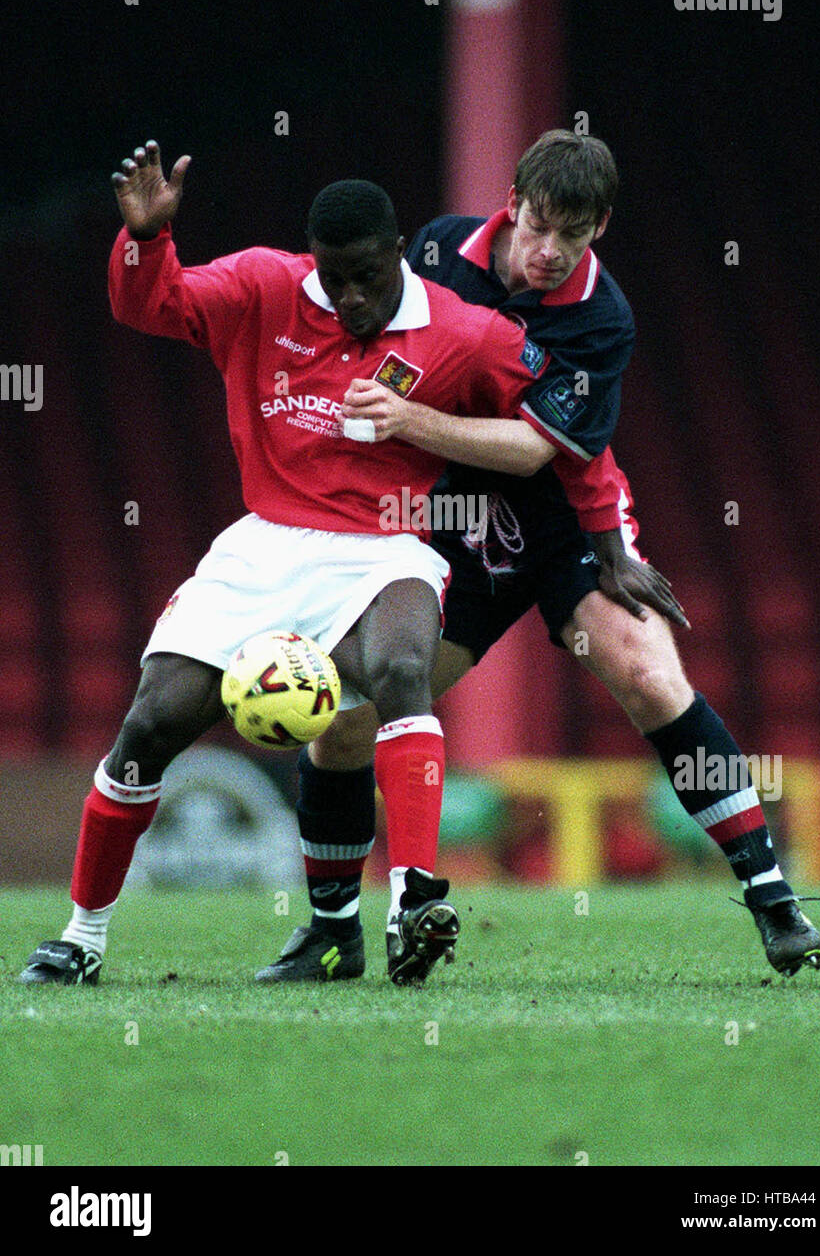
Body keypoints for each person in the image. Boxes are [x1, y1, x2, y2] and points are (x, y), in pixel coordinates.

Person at [276, 130, 820, 985]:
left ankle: (773, 898)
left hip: (565, 529)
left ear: (599, 227)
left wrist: (409, 421)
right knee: (348, 716)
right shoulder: (430, 250)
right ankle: (330, 933)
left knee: (649, 674)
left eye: (571, 236)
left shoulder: (602, 317)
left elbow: (538, 453)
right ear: (512, 202)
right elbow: (390, 351)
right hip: (450, 525)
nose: (548, 252)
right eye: (538, 226)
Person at [20, 139, 566, 989]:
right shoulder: (263, 286)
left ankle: (414, 896)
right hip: (264, 543)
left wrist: (600, 531)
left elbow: (552, 419)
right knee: (153, 721)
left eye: (366, 278)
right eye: (334, 277)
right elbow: (147, 305)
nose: (349, 296)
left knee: (399, 667)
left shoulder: (460, 330)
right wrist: (148, 241)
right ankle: (81, 936)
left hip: (385, 545)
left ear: (396, 254)